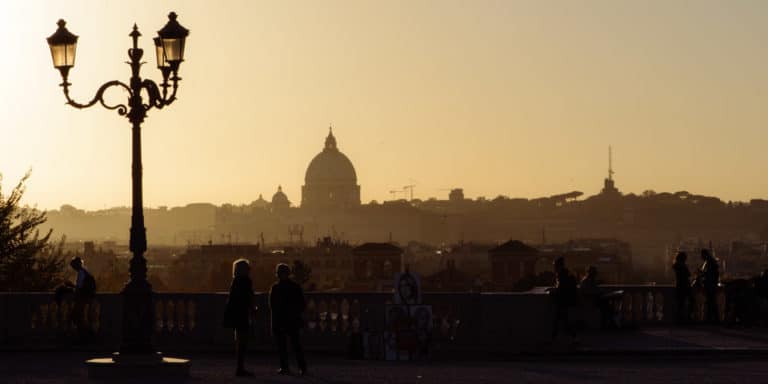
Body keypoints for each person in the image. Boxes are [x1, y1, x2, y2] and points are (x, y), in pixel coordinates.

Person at [269, 263, 307, 376]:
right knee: (295, 345)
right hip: (292, 319)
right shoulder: (295, 287)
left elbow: (273, 307)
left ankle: (285, 367)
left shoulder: (275, 288)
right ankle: (301, 367)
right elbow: (302, 304)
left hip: (283, 320)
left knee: (284, 346)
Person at [222, 259, 255, 377]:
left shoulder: (235, 281)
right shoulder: (246, 281)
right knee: (243, 341)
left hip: (235, 314)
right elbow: (249, 297)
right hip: (242, 314)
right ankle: (240, 368)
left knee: (239, 341)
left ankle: (239, 367)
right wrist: (253, 309)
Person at [65, 256, 96, 342]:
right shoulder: (85, 272)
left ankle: (86, 335)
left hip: (82, 298)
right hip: (84, 297)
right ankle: (84, 335)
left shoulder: (81, 273)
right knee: (78, 316)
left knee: (77, 316)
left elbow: (79, 287)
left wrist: (71, 286)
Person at [550, 257, 578, 342]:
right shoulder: (566, 274)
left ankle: (573, 337)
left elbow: (560, 288)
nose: (554, 268)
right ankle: (555, 337)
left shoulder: (562, 275)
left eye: (555, 266)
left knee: (561, 321)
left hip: (562, 301)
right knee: (561, 321)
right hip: (564, 301)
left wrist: (553, 290)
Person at [697, 249, 720, 324]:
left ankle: (712, 318)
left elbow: (708, 274)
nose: (701, 257)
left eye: (702, 255)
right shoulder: (711, 262)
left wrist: (701, 273)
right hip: (711, 285)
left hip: (710, 285)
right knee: (711, 302)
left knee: (711, 302)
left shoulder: (709, 263)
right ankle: (713, 318)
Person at [672, 252, 693, 324]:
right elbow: (688, 274)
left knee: (680, 304)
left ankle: (679, 319)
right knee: (685, 303)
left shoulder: (676, 265)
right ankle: (684, 319)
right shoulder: (682, 266)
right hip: (684, 286)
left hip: (679, 286)